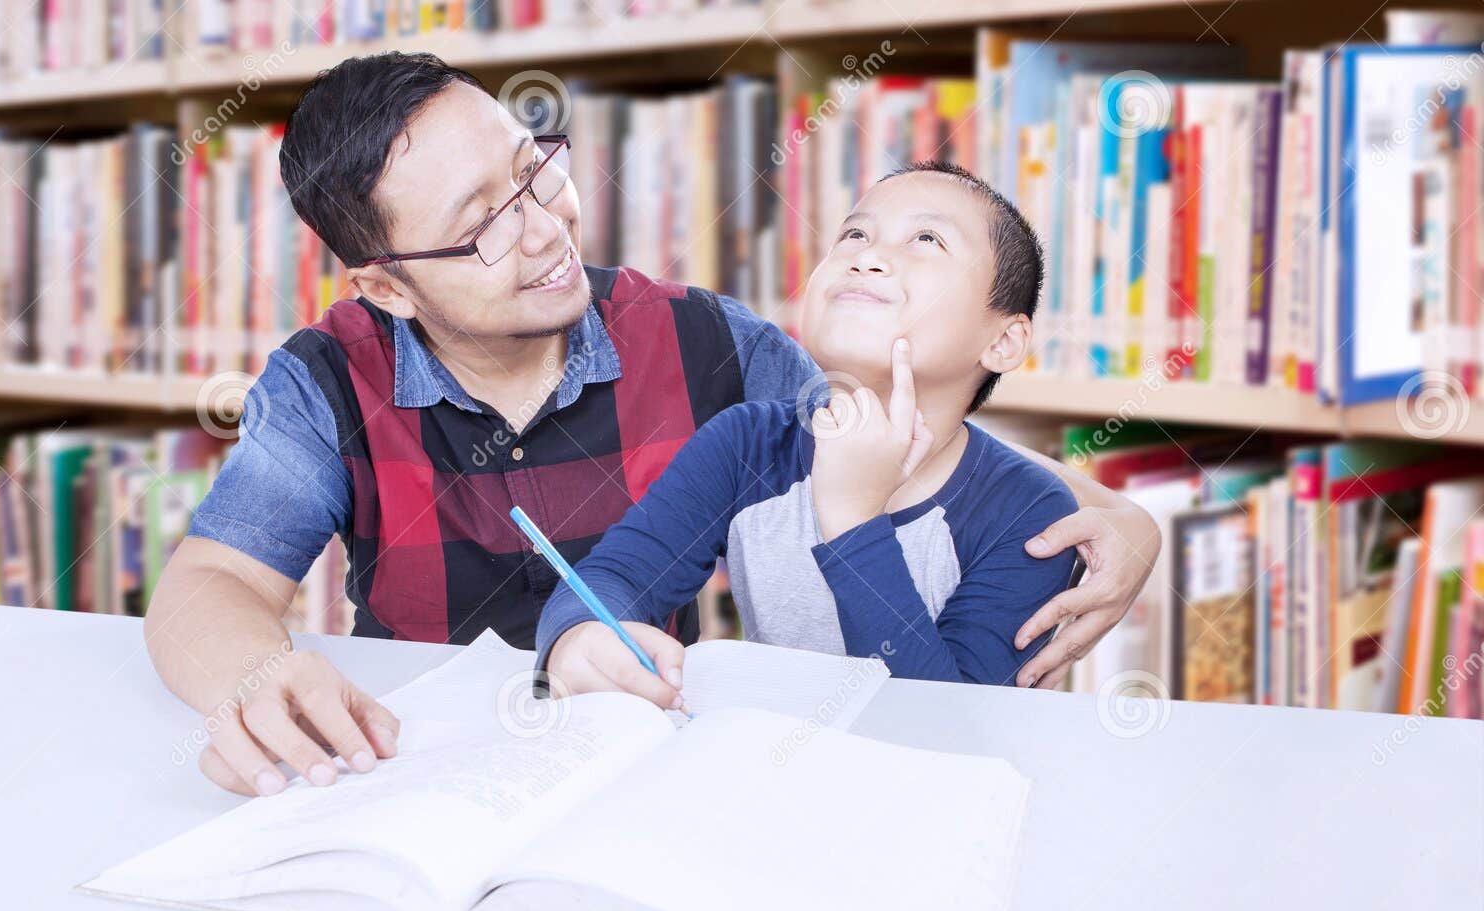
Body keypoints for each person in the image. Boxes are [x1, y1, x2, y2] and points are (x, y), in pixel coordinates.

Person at [143, 53, 1161, 796]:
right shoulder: (325, 378)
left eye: (534, 169)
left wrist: (1113, 509)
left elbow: (900, 433)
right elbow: (211, 582)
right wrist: (258, 675)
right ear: (388, 287)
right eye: (483, 224)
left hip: (645, 771)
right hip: (415, 771)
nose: (543, 228)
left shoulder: (704, 340)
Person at [540, 162, 1080, 697]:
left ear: (1003, 342)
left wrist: (854, 521)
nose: (866, 256)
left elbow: (947, 721)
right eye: (854, 234)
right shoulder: (745, 443)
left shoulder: (1029, 512)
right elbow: (614, 578)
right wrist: (580, 633)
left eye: (926, 239)